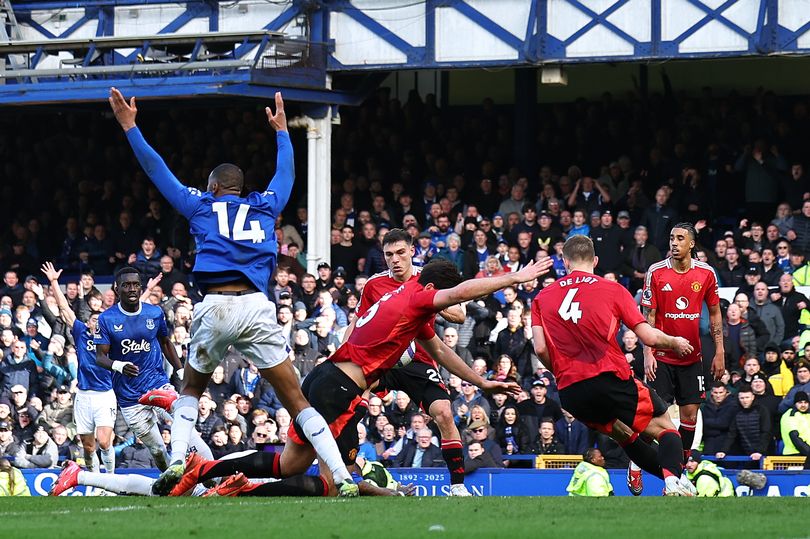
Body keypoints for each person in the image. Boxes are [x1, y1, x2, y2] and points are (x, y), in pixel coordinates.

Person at [109, 89, 359, 498]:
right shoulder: (264, 207)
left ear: (212, 186)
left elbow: (159, 172)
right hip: (257, 307)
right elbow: (287, 176)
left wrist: (130, 127)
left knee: (191, 390)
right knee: (296, 399)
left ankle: (176, 462)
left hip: (215, 305)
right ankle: (343, 477)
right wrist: (281, 133)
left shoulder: (201, 206)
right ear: (240, 188)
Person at [531, 235, 696, 496]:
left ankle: (674, 481)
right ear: (595, 260)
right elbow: (649, 337)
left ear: (564, 262)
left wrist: (561, 372)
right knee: (665, 427)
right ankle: (673, 481)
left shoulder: (541, 297)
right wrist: (674, 341)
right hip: (609, 378)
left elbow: (540, 348)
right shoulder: (613, 289)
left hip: (571, 391)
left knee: (624, 435)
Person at [341, 228, 476, 496]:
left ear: (412, 251)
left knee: (445, 413)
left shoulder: (429, 279)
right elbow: (356, 322)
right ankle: (346, 474)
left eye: (401, 252)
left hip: (419, 357)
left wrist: (431, 301)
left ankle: (458, 485)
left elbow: (459, 315)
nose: (395, 259)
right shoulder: (374, 285)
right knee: (351, 405)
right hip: (383, 359)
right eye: (389, 254)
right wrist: (344, 354)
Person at [95, 267, 210, 472]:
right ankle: (175, 486)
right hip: (130, 397)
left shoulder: (154, 312)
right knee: (157, 449)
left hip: (157, 385)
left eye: (135, 285)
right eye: (126, 285)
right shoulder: (107, 319)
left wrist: (180, 371)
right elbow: (100, 357)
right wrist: (118, 365)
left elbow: (166, 343)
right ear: (117, 288)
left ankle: (212, 472)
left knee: (185, 425)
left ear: (141, 288)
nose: (131, 289)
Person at [637, 222, 724, 489]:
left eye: (680, 239)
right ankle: (636, 462)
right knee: (652, 418)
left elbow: (716, 313)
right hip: (662, 357)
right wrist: (648, 352)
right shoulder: (656, 272)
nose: (674, 243)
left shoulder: (707, 274)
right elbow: (647, 316)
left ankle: (677, 474)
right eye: (672, 238)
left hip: (692, 358)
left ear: (692, 244)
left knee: (689, 417)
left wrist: (719, 350)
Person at [41, 262, 116, 473]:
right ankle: (94, 478)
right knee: (88, 446)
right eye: (93, 319)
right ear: (89, 322)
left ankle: (109, 479)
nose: (96, 321)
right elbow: (64, 308)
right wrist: (54, 283)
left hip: (104, 395)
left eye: (100, 319)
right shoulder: (81, 333)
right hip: (83, 395)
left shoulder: (112, 339)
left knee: (103, 441)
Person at [780, 390, 810, 469]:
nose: (803, 405)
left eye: (805, 402)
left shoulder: (808, 415)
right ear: (795, 403)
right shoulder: (790, 415)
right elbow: (794, 437)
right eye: (800, 402)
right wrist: (808, 451)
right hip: (794, 456)